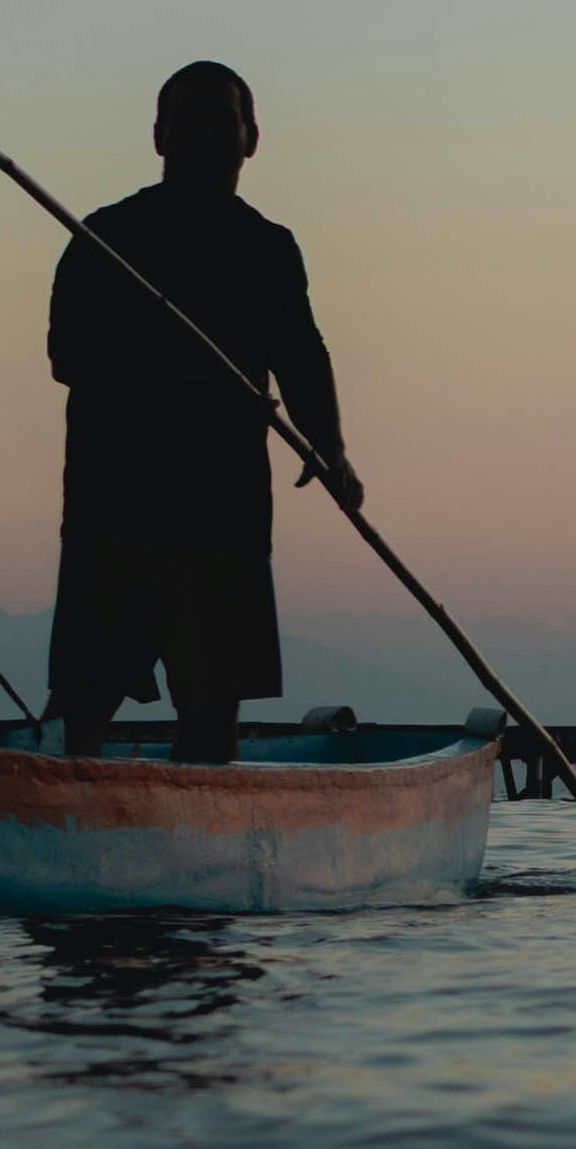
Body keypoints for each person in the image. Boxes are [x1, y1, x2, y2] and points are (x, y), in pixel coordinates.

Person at [46, 60, 354, 768]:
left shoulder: (269, 248)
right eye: (188, 117)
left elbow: (300, 352)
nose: (206, 131)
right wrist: (188, 372)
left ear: (252, 138)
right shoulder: (107, 236)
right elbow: (68, 354)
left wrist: (329, 445)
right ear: (158, 136)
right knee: (82, 699)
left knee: (213, 710)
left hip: (221, 516)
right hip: (113, 509)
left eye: (223, 117)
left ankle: (190, 857)